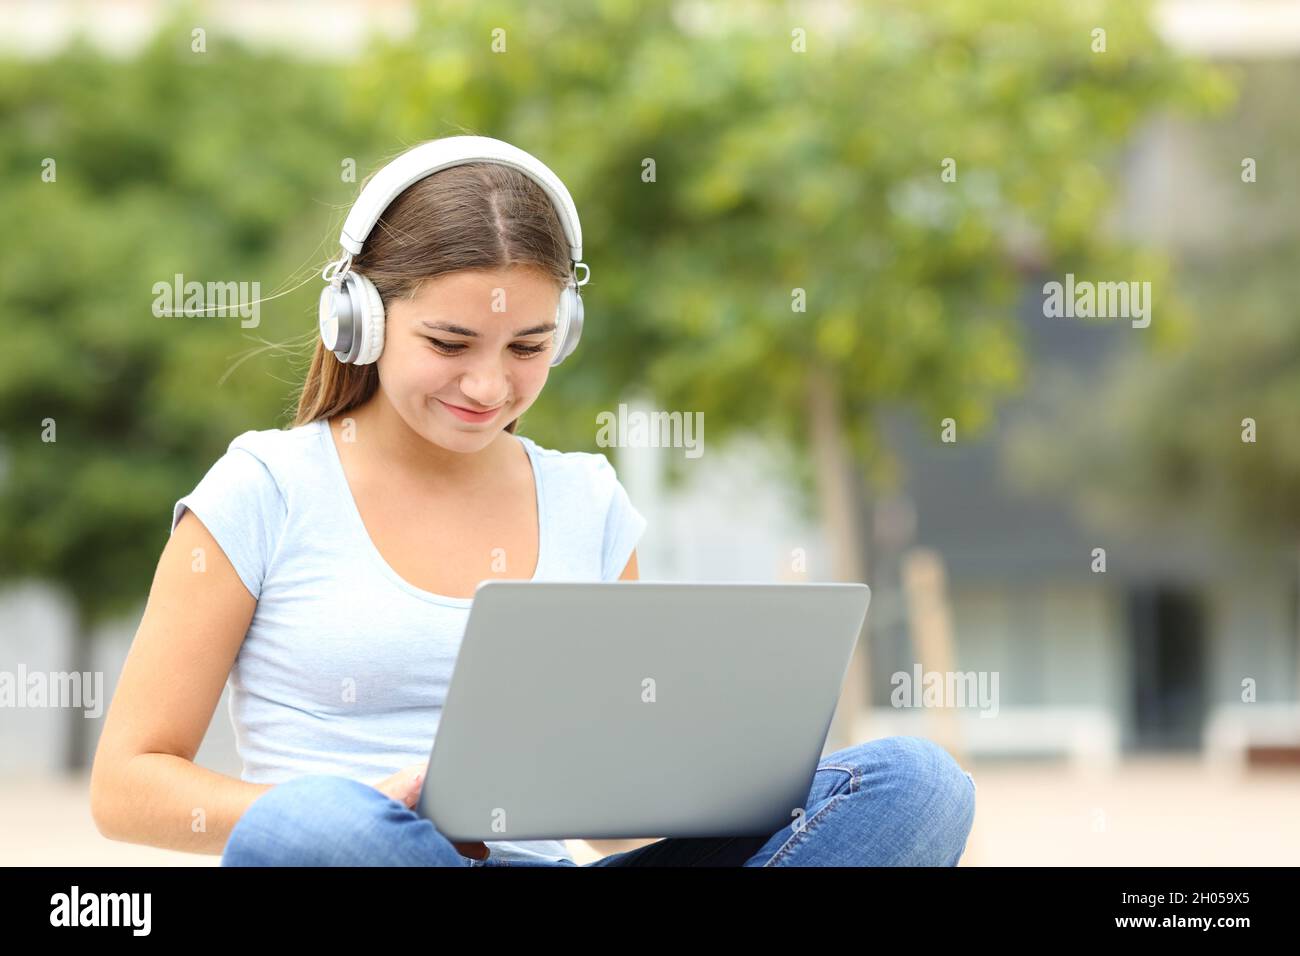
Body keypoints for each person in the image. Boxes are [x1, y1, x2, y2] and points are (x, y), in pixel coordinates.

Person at [90, 136, 975, 867]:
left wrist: (707, 781)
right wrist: (353, 807)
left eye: (528, 346)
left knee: (916, 785)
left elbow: (610, 822)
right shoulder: (264, 490)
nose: (488, 383)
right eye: (450, 340)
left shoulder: (587, 500)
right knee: (311, 830)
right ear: (357, 317)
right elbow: (126, 785)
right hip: (352, 859)